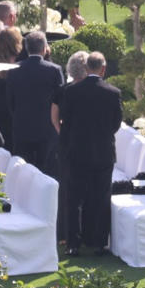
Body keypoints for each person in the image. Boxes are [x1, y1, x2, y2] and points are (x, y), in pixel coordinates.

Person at [61, 52, 122, 256]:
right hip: (103, 153)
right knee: (101, 197)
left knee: (74, 199)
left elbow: (66, 122)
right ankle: (98, 242)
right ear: (103, 69)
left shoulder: (71, 92)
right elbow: (116, 124)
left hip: (77, 152)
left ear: (86, 68)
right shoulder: (113, 93)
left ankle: (73, 244)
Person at [6, 31, 63, 175]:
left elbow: (10, 101)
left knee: (24, 172)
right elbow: (61, 99)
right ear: (44, 48)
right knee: (48, 172)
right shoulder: (54, 70)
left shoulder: (14, 70)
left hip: (22, 128)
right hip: (48, 129)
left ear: (26, 48)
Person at [50, 49, 89, 242]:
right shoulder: (87, 90)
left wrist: (60, 131)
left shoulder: (63, 90)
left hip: (67, 143)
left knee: (67, 189)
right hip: (84, 144)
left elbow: (54, 115)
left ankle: (66, 233)